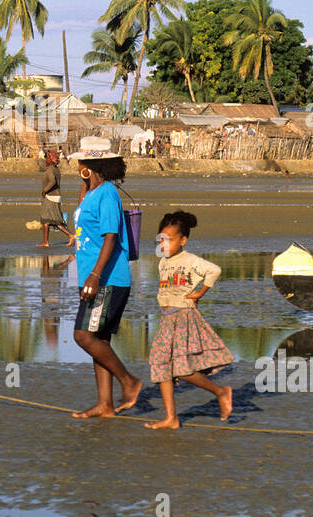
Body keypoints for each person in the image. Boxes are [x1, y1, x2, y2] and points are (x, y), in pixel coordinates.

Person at [68, 148, 142, 418]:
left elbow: (111, 236)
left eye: (81, 163)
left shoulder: (108, 193)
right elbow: (80, 219)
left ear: (92, 164)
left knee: (83, 335)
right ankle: (105, 404)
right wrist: (87, 182)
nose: (77, 167)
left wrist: (95, 276)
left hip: (107, 279)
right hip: (93, 276)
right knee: (99, 340)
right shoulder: (92, 193)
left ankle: (129, 382)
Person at [146, 211, 235, 430]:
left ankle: (221, 392)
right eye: (161, 240)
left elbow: (214, 270)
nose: (165, 244)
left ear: (183, 240)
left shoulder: (190, 260)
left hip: (183, 317)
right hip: (167, 319)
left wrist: (199, 293)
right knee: (160, 365)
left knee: (181, 369)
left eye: (170, 239)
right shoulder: (162, 263)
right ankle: (171, 418)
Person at [38, 150, 73, 247]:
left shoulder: (50, 170)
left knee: (48, 220)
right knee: (50, 220)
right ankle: (46, 242)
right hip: (55, 196)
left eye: (46, 158)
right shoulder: (56, 169)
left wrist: (45, 190)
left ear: (50, 160)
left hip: (51, 197)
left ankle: (70, 236)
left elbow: (53, 182)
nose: (45, 160)